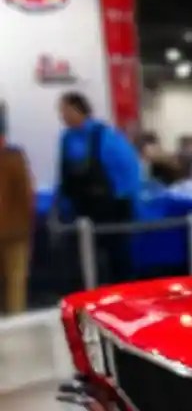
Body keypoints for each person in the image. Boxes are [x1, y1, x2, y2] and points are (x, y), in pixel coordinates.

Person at [56, 92, 142, 285]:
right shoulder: (66, 139)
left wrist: (124, 201)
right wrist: (63, 204)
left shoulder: (104, 136)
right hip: (81, 208)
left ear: (78, 110)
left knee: (117, 259)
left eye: (64, 110)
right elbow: (63, 175)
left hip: (110, 208)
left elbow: (128, 168)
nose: (62, 116)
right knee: (83, 260)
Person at [0, 110, 36, 314]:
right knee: (15, 284)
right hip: (16, 232)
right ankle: (14, 326)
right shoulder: (14, 158)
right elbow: (26, 195)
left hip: (14, 230)